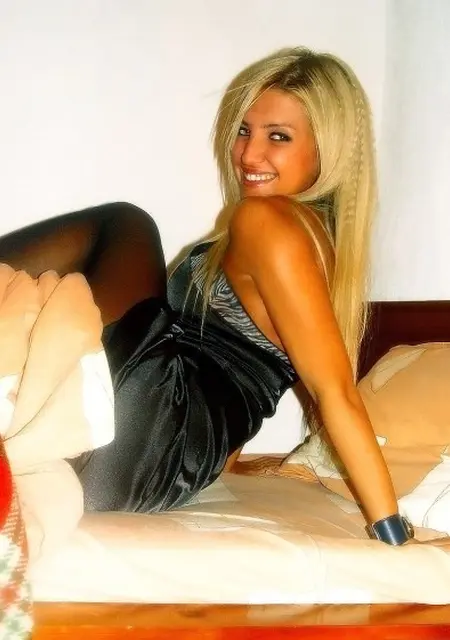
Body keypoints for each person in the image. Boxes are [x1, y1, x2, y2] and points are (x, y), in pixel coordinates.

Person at [0, 46, 446, 548]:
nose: (249, 155)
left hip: (134, 444)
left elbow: (333, 392)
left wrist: (392, 530)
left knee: (126, 224)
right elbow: (236, 376)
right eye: (244, 131)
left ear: (330, 150)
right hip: (148, 464)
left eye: (278, 136)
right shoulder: (315, 241)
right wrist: (225, 467)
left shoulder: (269, 224)